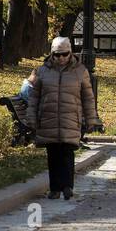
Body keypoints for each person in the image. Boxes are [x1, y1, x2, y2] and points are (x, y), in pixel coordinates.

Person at [27, 37, 97, 200]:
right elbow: (34, 96)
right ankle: (54, 188)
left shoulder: (80, 71)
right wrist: (31, 116)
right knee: (53, 154)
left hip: (70, 117)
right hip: (49, 117)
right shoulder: (42, 70)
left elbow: (88, 97)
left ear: (70, 52)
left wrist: (91, 118)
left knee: (67, 152)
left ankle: (67, 186)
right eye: (57, 55)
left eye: (64, 54)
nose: (61, 58)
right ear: (52, 54)